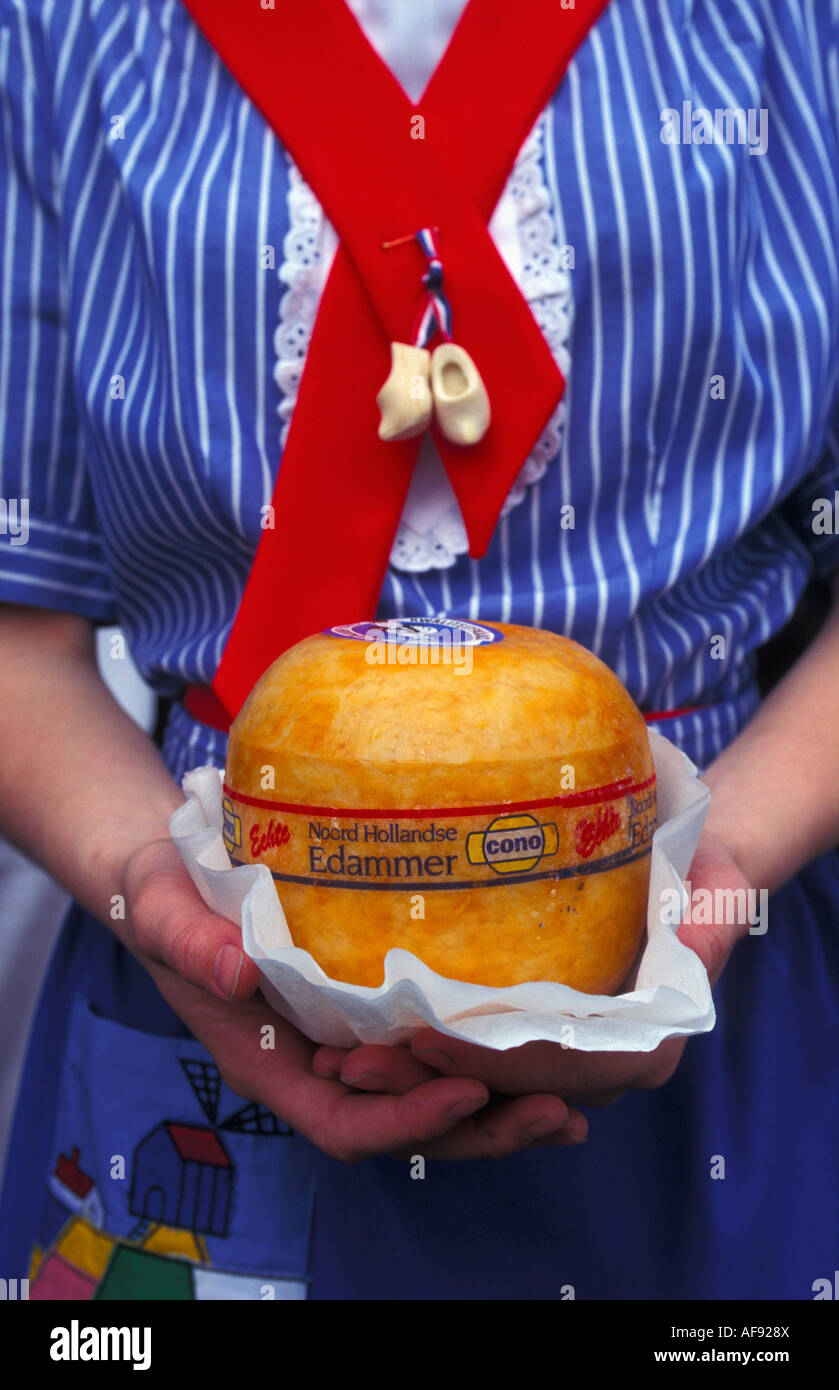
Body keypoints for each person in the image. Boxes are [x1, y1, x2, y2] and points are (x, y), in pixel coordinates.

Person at [1, 0, 837, 1300]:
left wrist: (712, 883)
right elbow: (18, 633)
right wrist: (146, 885)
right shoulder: (54, 28)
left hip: (707, 967)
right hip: (208, 950)